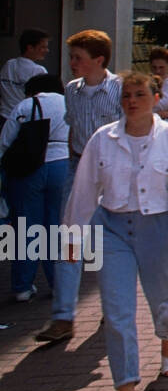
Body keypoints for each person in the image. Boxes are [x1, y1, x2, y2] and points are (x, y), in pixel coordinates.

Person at [63, 70, 168, 391]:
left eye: (139, 94)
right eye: (126, 95)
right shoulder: (103, 139)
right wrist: (72, 235)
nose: (131, 102)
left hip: (158, 229)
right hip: (113, 229)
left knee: (162, 300)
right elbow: (84, 190)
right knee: (116, 312)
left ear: (155, 99)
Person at [36, 30, 122, 344]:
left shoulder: (120, 89)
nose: (71, 63)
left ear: (98, 60)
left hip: (113, 173)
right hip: (77, 169)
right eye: (71, 57)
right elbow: (74, 125)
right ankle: (63, 318)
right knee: (68, 243)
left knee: (110, 246)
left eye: (78, 58)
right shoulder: (70, 91)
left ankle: (112, 308)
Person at [1, 74, 69, 304]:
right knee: (56, 228)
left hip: (30, 168)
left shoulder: (26, 105)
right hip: (63, 164)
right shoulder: (69, 103)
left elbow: (5, 141)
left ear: (32, 90)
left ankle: (22, 286)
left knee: (26, 227)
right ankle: (60, 284)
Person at [0, 28, 50, 130]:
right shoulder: (39, 71)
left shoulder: (9, 64)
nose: (46, 50)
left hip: (3, 116)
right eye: (43, 47)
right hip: (23, 119)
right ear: (30, 48)